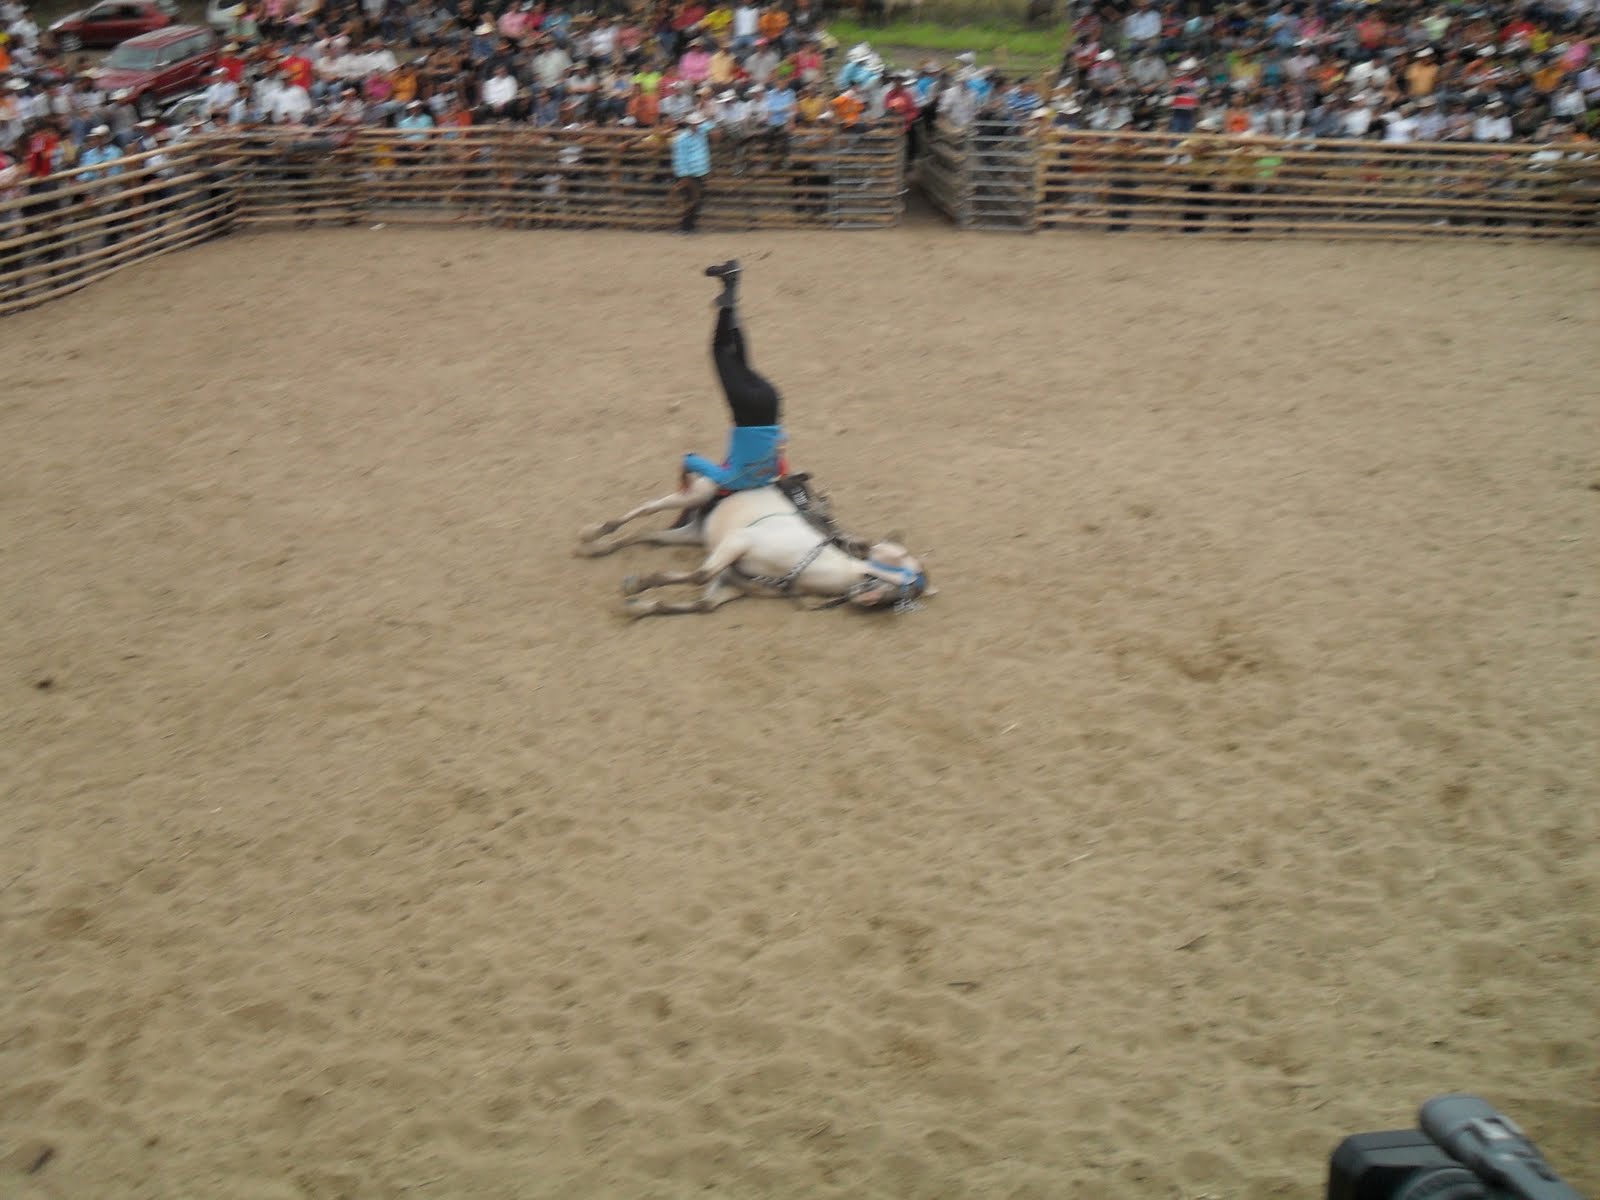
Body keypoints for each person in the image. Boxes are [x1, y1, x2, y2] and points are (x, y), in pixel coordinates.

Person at [682, 259, 789, 496]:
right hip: (745, 409)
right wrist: (685, 466)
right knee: (719, 350)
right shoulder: (733, 480)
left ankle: (731, 298)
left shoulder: (770, 472)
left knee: (741, 362)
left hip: (771, 402)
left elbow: (782, 448)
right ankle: (729, 296)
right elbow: (697, 464)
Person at [670, 110, 710, 232]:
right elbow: (680, 158)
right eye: (695, 123)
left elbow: (710, 125)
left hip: (699, 172)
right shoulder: (682, 139)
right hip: (688, 174)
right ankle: (686, 226)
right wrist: (684, 176)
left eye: (698, 123)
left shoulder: (701, 132)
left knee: (696, 200)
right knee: (690, 200)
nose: (697, 125)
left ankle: (689, 226)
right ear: (690, 124)